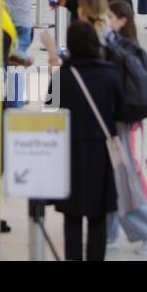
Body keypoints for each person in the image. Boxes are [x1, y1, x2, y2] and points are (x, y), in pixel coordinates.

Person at [46, 20, 122, 261]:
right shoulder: (110, 74)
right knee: (98, 217)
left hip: (71, 154)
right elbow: (121, 111)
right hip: (102, 151)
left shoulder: (64, 77)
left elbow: (50, 109)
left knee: (72, 216)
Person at [102, 0, 147, 255]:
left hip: (119, 123)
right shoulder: (127, 49)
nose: (105, 22)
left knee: (121, 178)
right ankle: (109, 231)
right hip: (120, 122)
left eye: (110, 17)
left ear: (122, 20)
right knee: (113, 174)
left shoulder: (120, 50)